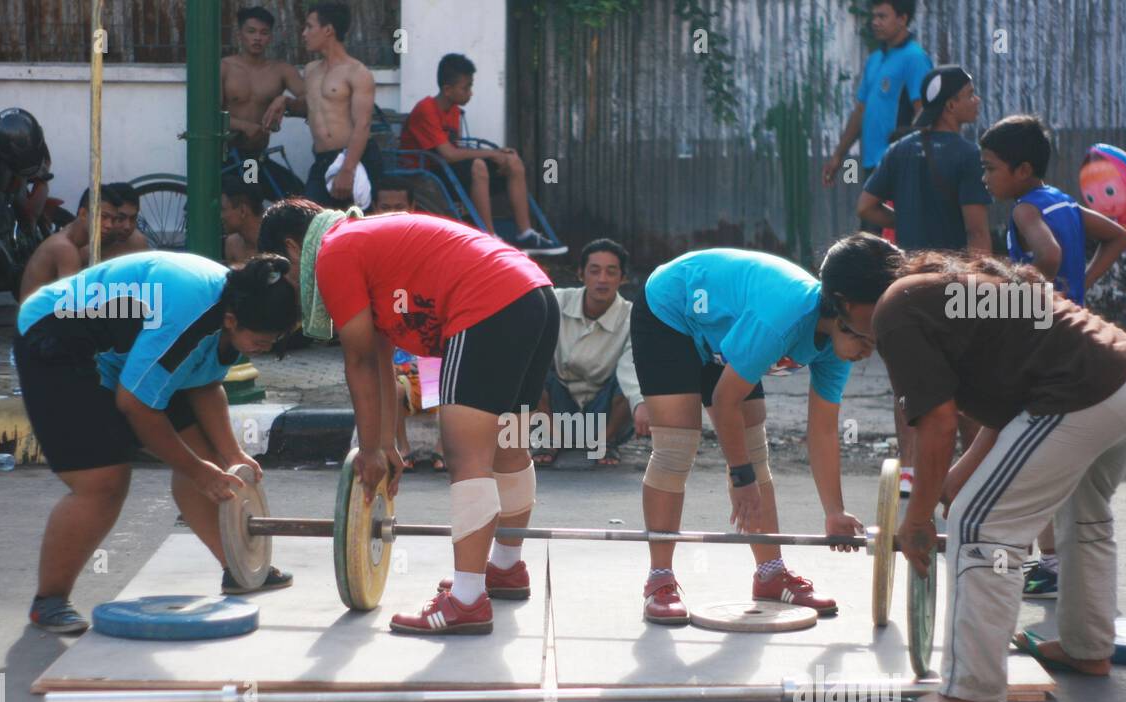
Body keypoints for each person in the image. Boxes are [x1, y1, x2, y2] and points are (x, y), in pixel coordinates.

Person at [823, 248, 1126, 702]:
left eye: (846, 323)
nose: (860, 336)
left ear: (844, 301)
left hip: (1083, 393)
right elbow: (1006, 414)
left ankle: (972, 690)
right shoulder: (941, 285)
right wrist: (955, 480)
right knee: (1084, 514)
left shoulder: (893, 311)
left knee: (980, 525)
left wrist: (918, 519)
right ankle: (1089, 649)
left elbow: (937, 424)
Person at [258, 199, 559, 635]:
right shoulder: (365, 239)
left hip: (487, 302)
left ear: (292, 248)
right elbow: (379, 356)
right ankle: (505, 568)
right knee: (508, 444)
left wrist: (367, 450)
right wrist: (383, 444)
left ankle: (468, 599)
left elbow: (358, 361)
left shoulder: (332, 252)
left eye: (284, 271)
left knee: (465, 454)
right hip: (533, 293)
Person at [14, 253, 300, 635]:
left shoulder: (232, 304)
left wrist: (232, 455)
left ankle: (237, 567)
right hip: (55, 338)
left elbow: (204, 383)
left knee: (216, 461)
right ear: (232, 320)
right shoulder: (193, 312)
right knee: (104, 483)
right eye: (262, 340)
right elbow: (136, 406)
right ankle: (48, 601)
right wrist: (196, 472)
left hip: (117, 352)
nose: (266, 347)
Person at [628, 241, 884, 624]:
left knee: (754, 445)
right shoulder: (782, 317)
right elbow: (724, 400)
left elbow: (824, 430)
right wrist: (739, 476)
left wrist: (834, 511)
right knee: (677, 446)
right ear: (844, 303)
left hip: (727, 326)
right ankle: (659, 578)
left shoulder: (842, 339)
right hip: (672, 308)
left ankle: (770, 573)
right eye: (867, 341)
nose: (869, 352)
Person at [979, 113, 1126, 599]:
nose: (985, 178)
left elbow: (1044, 257)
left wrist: (1016, 290)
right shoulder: (1062, 200)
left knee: (1037, 455)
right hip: (1073, 333)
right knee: (1060, 457)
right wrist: (1081, 284)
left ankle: (1049, 562)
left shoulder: (1025, 210)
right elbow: (1119, 235)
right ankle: (1059, 560)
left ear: (1022, 171)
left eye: (991, 168)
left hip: (1043, 341)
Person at [858, 64, 992, 497]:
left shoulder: (900, 150)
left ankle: (910, 476)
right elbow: (976, 231)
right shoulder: (969, 155)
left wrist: (909, 223)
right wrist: (985, 289)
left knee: (909, 382)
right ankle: (973, 478)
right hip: (955, 286)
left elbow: (867, 206)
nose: (976, 101)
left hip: (908, 284)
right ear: (950, 104)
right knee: (968, 383)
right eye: (970, 94)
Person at [398, 53, 566, 255]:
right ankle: (488, 236)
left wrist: (497, 155)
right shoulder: (426, 109)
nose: (470, 92)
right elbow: (449, 154)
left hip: (445, 170)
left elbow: (456, 151)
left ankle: (526, 234)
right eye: (466, 87)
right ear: (448, 90)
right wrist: (490, 154)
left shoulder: (453, 111)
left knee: (513, 161)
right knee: (478, 165)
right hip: (426, 174)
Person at [537, 238, 647, 468]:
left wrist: (640, 404)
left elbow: (632, 367)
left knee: (637, 378)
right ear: (581, 274)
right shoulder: (556, 301)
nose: (602, 280)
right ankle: (549, 438)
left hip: (604, 411)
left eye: (611, 272)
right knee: (530, 368)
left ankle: (606, 441)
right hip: (559, 405)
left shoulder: (632, 317)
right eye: (594, 271)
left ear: (623, 277)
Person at [369, 179, 448, 472]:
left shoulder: (426, 249)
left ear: (412, 208)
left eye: (399, 207)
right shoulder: (372, 252)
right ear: (374, 209)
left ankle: (443, 449)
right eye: (385, 207)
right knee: (391, 382)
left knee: (444, 380)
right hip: (396, 363)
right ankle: (401, 446)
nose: (392, 213)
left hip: (430, 355)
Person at [822, 0, 931, 204]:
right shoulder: (875, 59)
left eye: (882, 16)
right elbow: (861, 111)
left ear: (902, 19)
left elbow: (924, 113)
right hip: (872, 162)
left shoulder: (914, 58)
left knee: (888, 229)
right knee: (871, 228)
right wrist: (838, 155)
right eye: (874, 16)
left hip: (899, 163)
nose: (875, 22)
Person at [220, 5, 308, 199]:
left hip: (253, 157)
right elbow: (208, 115)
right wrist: (244, 126)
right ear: (239, 34)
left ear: (270, 37)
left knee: (296, 198)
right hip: (226, 156)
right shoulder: (225, 67)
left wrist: (285, 101)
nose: (257, 38)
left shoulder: (281, 70)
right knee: (233, 206)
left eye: (264, 32)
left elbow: (311, 101)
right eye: (251, 31)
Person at [300, 3, 381, 208]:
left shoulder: (357, 72)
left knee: (360, 226)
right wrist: (283, 102)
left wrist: (347, 169)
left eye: (309, 27)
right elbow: (314, 107)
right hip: (322, 160)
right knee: (312, 224)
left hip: (354, 159)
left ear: (328, 30)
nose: (304, 34)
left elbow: (363, 124)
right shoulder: (310, 71)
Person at [19, 184, 148, 299]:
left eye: (133, 218)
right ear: (84, 214)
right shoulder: (70, 248)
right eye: (120, 218)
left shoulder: (135, 242)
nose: (127, 226)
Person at [221, 174, 265, 264]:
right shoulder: (232, 244)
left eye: (223, 209)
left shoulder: (277, 242)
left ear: (242, 211)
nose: (221, 216)